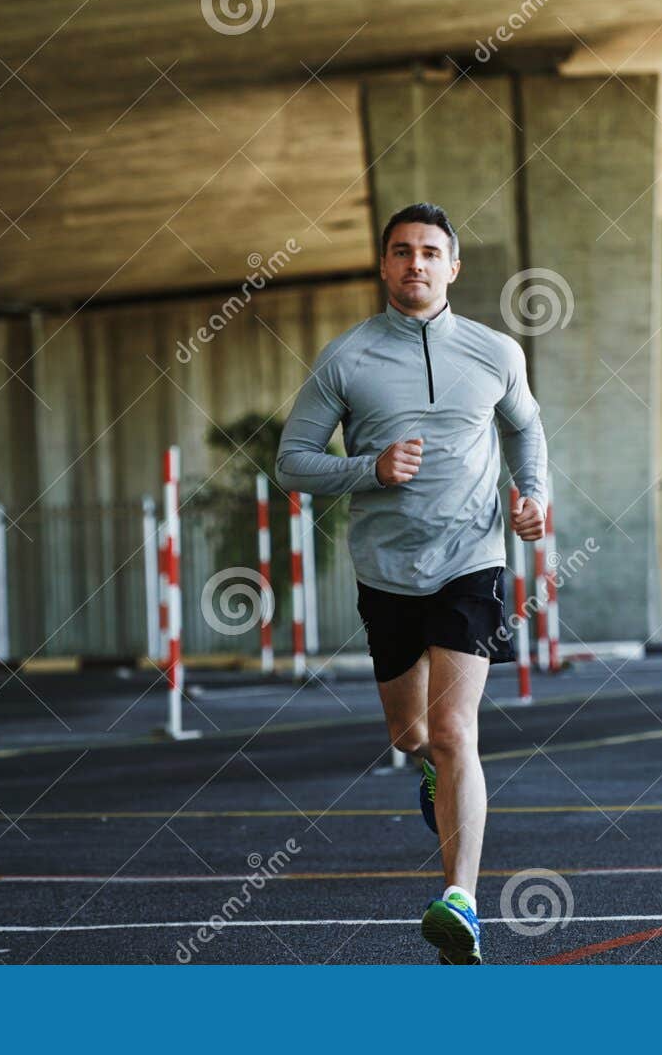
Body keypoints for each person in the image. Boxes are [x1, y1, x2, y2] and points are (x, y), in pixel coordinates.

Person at [276, 201, 548, 964]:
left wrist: (532, 497)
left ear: (453, 267)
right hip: (386, 573)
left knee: (458, 729)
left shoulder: (495, 352)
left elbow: (525, 426)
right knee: (412, 735)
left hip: (472, 561)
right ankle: (426, 768)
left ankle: (460, 901)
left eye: (431, 252)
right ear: (384, 265)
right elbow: (291, 461)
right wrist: (370, 468)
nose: (416, 264)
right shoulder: (347, 359)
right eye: (402, 251)